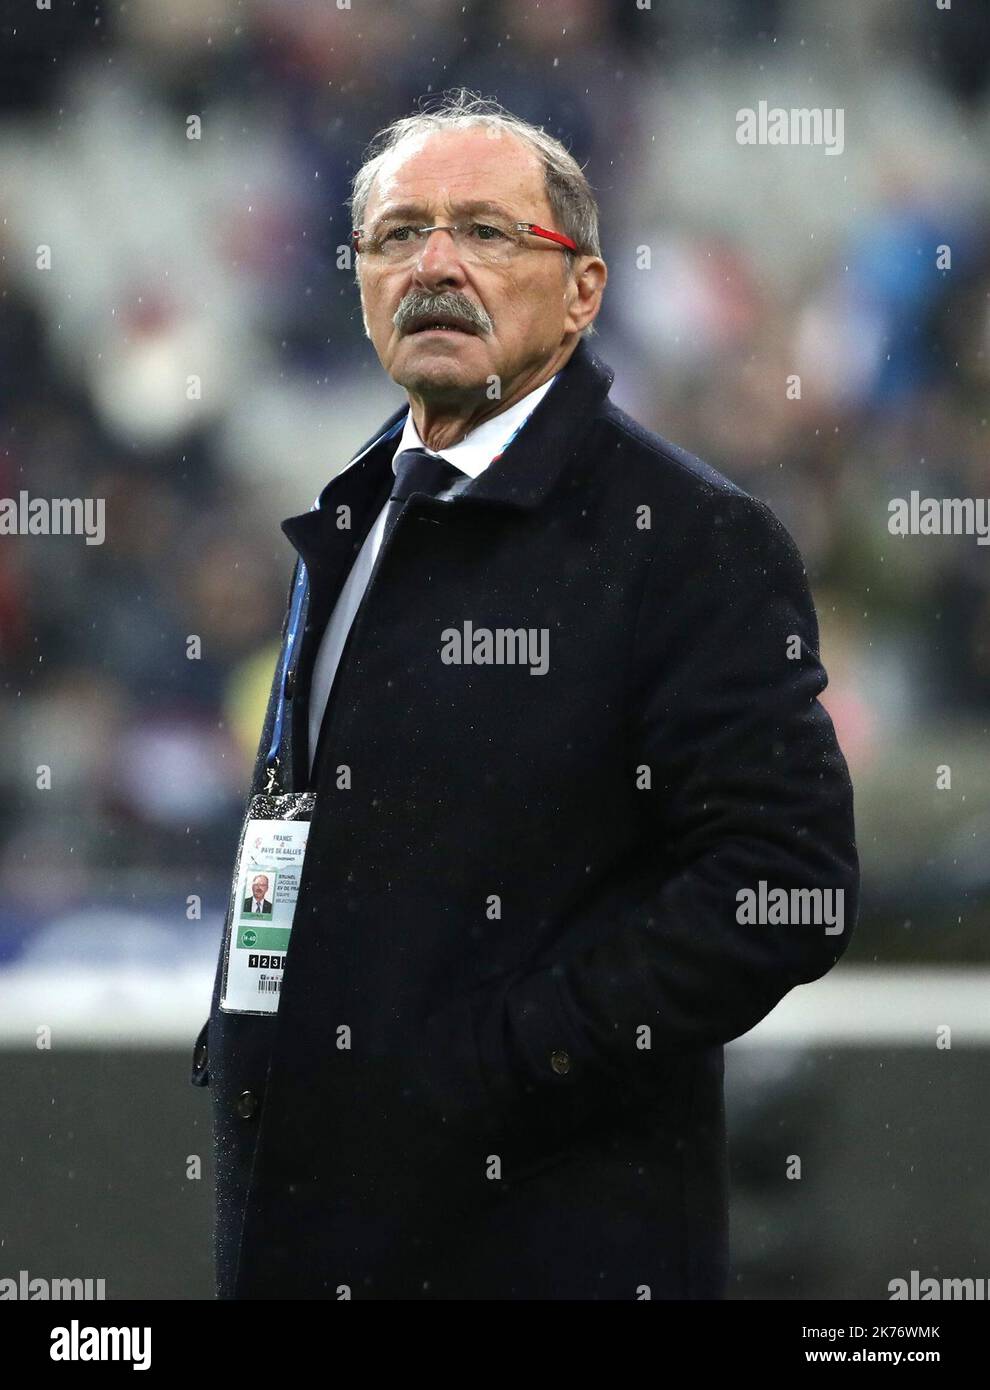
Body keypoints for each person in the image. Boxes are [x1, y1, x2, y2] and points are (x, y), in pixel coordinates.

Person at [190, 90, 859, 1300]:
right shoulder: (363, 509)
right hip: (314, 1226)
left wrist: (500, 1058)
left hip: (548, 1245)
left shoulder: (688, 540)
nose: (434, 263)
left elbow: (788, 885)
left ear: (586, 291)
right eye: (398, 233)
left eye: (487, 233)